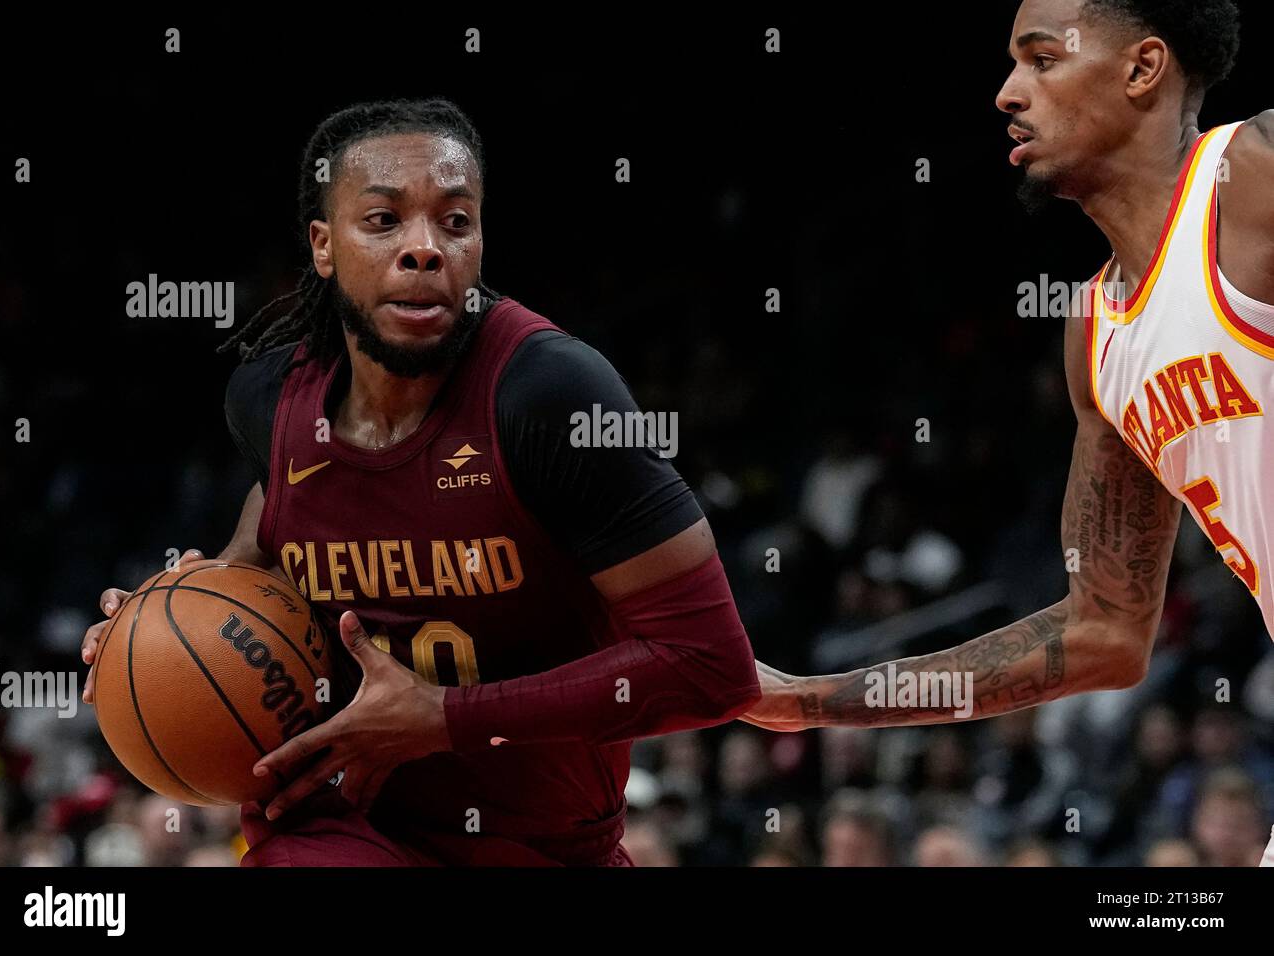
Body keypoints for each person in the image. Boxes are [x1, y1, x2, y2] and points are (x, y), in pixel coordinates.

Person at [80, 98, 761, 866]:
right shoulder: (270, 400)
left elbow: (711, 667)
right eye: (382, 220)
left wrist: (442, 717)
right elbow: (257, 561)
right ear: (323, 246)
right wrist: (155, 627)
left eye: (455, 221)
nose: (424, 248)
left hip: (545, 846)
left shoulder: (551, 394)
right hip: (350, 828)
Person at [743, 0, 1274, 866]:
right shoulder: (1096, 335)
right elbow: (1100, 632)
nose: (1005, 93)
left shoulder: (1251, 173)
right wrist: (812, 698)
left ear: (1144, 69)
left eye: (1041, 60)